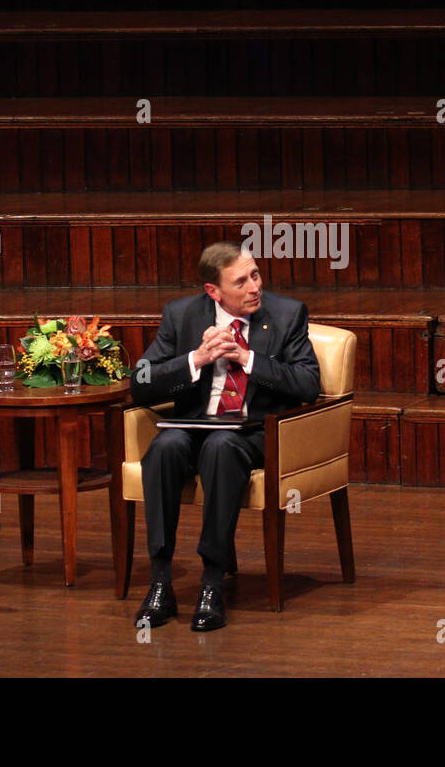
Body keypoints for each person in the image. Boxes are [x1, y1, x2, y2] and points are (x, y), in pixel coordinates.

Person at [131, 242, 320, 631]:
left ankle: (212, 584)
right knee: (164, 448)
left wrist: (247, 358)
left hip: (254, 431)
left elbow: (308, 384)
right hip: (195, 424)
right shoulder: (181, 315)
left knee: (222, 448)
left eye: (255, 274)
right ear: (213, 292)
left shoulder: (287, 315)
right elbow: (141, 382)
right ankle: (161, 583)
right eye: (241, 281)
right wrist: (196, 360)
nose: (254, 287)